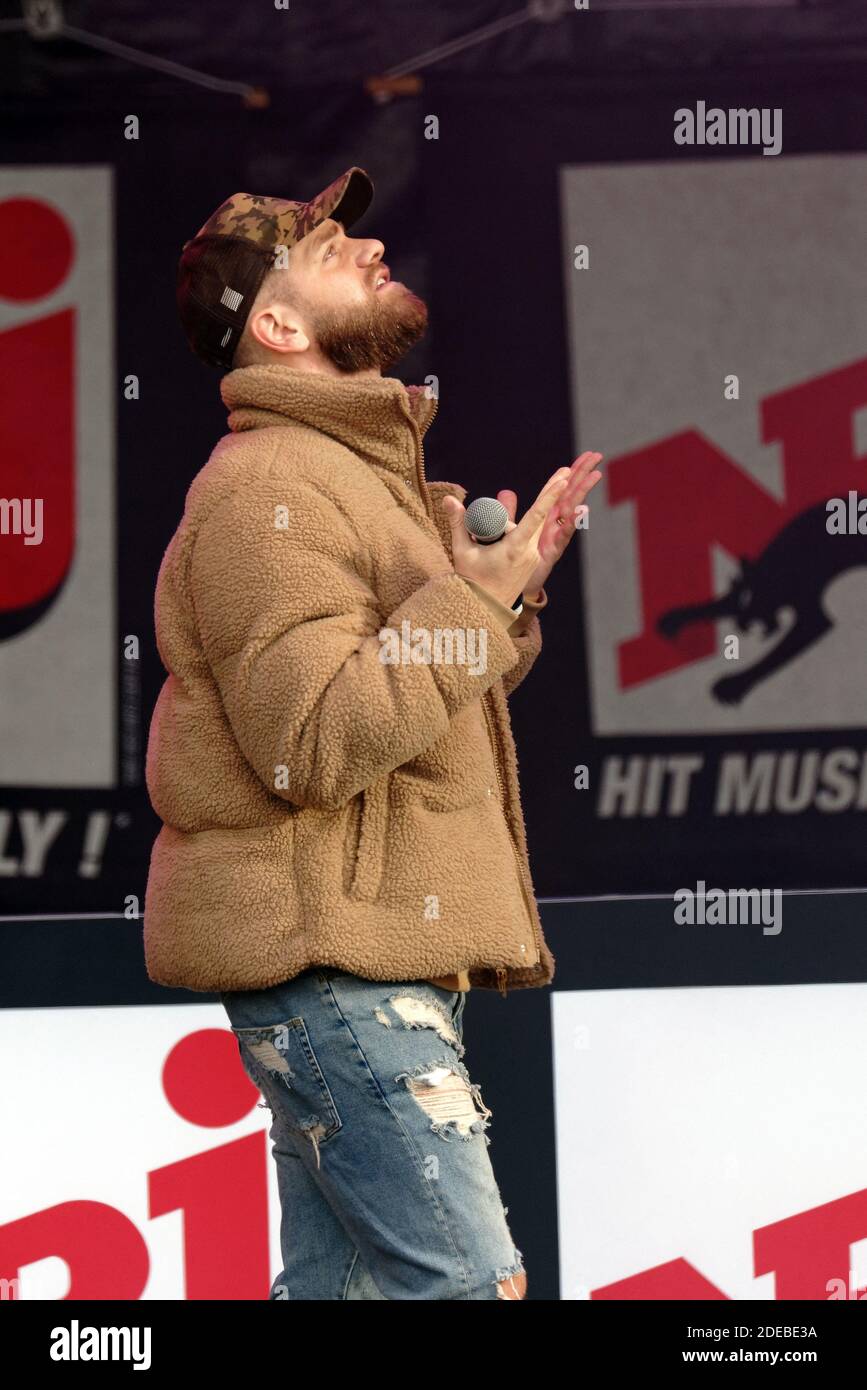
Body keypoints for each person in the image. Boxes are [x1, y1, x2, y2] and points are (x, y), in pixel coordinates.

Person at [143, 166, 602, 1299]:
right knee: (462, 1285)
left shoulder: (344, 473)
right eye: (326, 244)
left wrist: (494, 593)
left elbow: (405, 700)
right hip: (338, 969)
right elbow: (314, 739)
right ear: (280, 322)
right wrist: (473, 602)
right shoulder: (268, 491)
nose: (367, 246)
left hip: (358, 959)